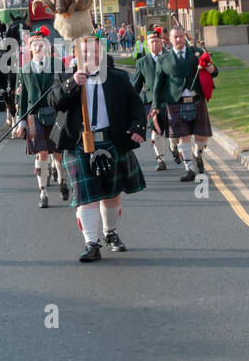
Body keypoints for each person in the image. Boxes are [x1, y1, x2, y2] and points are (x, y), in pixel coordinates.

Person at [49, 34, 147, 262]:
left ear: (101, 54)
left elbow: (136, 105)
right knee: (86, 197)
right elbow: (54, 102)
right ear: (76, 55)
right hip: (78, 143)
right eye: (84, 53)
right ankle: (91, 243)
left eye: (94, 52)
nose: (89, 56)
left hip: (111, 141)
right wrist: (73, 83)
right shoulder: (64, 77)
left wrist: (138, 128)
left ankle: (110, 232)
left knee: (112, 195)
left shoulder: (117, 77)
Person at [152, 25, 217, 182]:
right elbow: (158, 84)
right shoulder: (164, 59)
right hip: (175, 102)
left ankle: (197, 153)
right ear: (170, 40)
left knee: (202, 136)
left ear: (184, 36)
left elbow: (214, 71)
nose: (179, 39)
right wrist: (155, 106)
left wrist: (211, 69)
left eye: (181, 36)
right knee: (183, 136)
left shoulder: (197, 53)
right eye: (176, 37)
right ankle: (189, 169)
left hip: (197, 100)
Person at [14, 26, 68, 207]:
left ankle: (62, 181)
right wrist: (20, 121)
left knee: (58, 155)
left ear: (47, 47)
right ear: (30, 48)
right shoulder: (25, 69)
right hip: (34, 114)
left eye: (41, 44)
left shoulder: (58, 65)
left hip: (55, 113)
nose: (37, 48)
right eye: (34, 45)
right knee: (42, 154)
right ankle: (43, 193)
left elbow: (65, 90)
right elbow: (23, 100)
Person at [131, 27, 170, 170]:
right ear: (148, 45)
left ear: (161, 42)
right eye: (151, 42)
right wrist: (130, 100)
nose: (154, 44)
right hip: (151, 102)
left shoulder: (169, 57)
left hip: (169, 100)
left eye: (157, 41)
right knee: (156, 132)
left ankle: (174, 147)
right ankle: (161, 160)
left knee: (172, 132)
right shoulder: (141, 62)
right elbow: (136, 84)